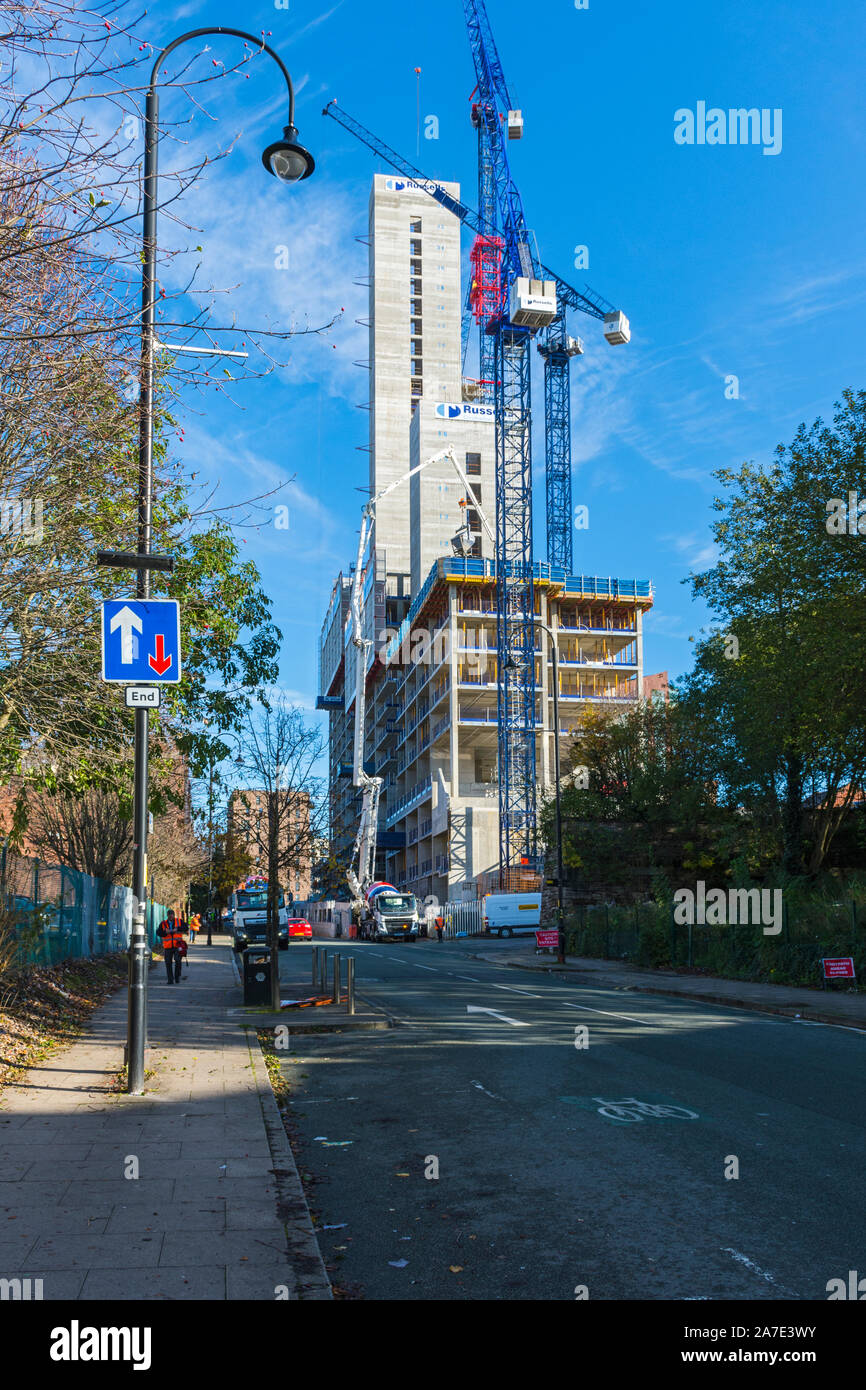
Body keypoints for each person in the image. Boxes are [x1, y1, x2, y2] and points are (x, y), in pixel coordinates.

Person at [156, 909, 186, 984]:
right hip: (168, 947)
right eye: (169, 915)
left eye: (172, 915)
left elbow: (186, 928)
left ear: (174, 915)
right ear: (167, 916)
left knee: (178, 961)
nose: (171, 917)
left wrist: (178, 929)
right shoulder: (163, 923)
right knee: (168, 963)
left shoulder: (179, 921)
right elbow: (158, 932)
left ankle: (177, 977)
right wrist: (165, 933)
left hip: (178, 946)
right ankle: (170, 979)